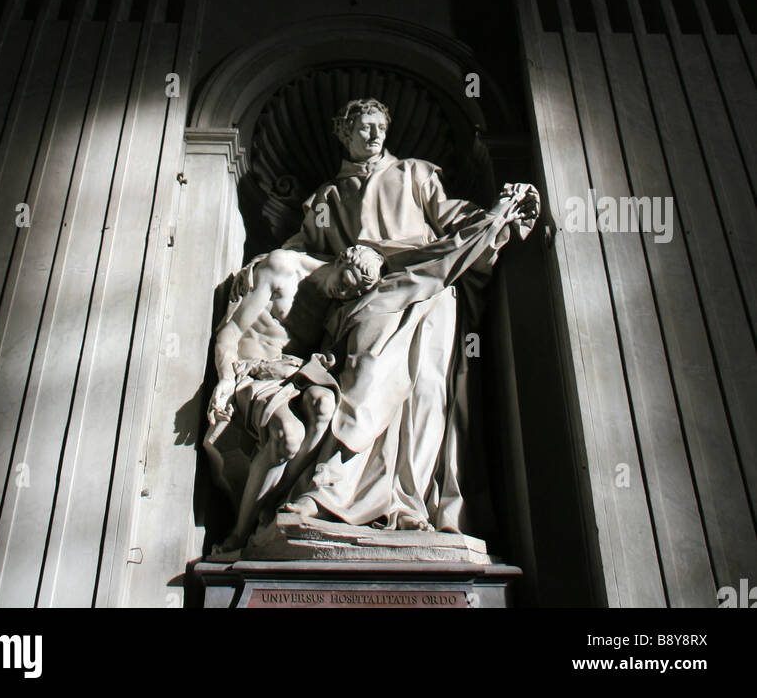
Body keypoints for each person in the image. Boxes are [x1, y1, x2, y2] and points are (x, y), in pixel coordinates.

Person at [274, 98, 539, 533]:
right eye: (364, 127)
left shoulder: (414, 173)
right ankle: (330, 489)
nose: (376, 135)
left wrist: (498, 218)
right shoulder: (327, 197)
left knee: (427, 395)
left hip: (432, 290)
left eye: (381, 126)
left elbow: (453, 217)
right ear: (343, 132)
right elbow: (302, 256)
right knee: (367, 378)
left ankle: (410, 504)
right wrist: (272, 273)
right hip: (370, 295)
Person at [205, 243, 384, 551]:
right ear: (341, 259)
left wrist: (323, 360)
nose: (341, 294)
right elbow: (230, 332)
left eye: (350, 294)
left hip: (292, 374)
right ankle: (240, 535)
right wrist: (225, 379)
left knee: (325, 405)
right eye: (343, 284)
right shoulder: (282, 268)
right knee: (289, 436)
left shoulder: (338, 301)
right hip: (252, 373)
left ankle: (274, 505)